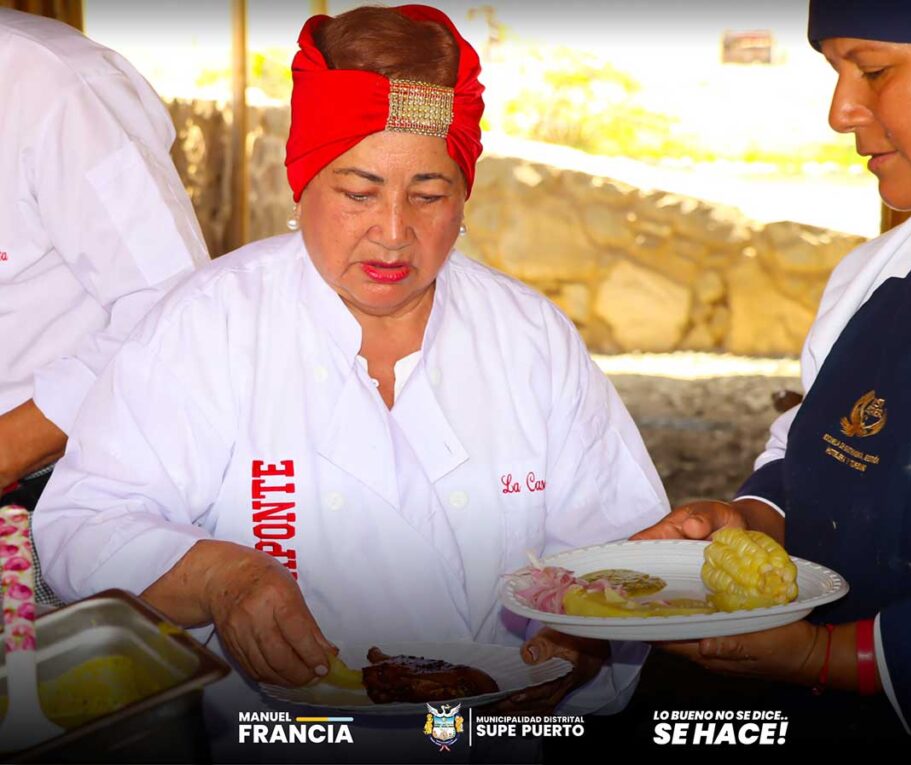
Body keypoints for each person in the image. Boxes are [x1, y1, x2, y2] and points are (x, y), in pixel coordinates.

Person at [33, 4, 668, 719]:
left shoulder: (529, 339)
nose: (394, 233)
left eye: (430, 193)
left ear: (465, 194)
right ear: (301, 184)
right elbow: (80, 525)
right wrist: (222, 575)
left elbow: (617, 545)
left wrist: (583, 630)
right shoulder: (207, 324)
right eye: (359, 192)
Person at [634, 0, 911, 740]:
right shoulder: (873, 270)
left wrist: (827, 654)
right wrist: (756, 520)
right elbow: (807, 441)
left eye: (874, 69)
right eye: (835, 70)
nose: (841, 109)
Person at [0, 9, 209, 599]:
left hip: (45, 498)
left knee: (40, 690)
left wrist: (7, 450)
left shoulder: (59, 89)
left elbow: (172, 311)